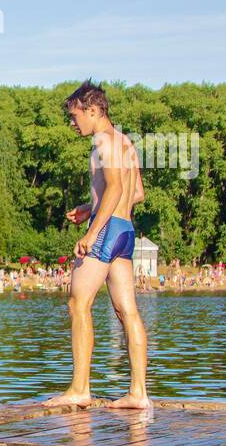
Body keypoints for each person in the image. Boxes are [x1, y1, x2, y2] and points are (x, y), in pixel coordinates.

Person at [45, 80, 151, 409]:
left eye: (75, 117)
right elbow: (137, 194)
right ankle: (138, 393)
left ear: (93, 111)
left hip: (105, 232)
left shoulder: (103, 143)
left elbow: (117, 189)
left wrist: (92, 232)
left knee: (79, 304)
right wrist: (90, 207)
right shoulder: (125, 143)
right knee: (127, 311)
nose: (72, 123)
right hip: (125, 231)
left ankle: (80, 389)